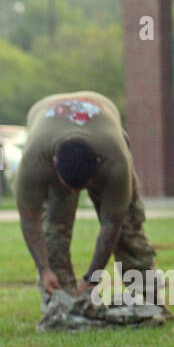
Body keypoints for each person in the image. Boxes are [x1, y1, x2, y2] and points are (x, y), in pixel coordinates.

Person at [15, 91, 161, 306]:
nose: (75, 193)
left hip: (102, 116)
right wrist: (44, 269)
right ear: (54, 163)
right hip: (45, 120)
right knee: (53, 229)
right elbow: (29, 220)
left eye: (82, 187)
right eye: (70, 187)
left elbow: (113, 222)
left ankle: (147, 299)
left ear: (99, 163)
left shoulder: (115, 158)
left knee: (128, 228)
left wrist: (92, 277)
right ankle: (61, 300)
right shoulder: (34, 161)